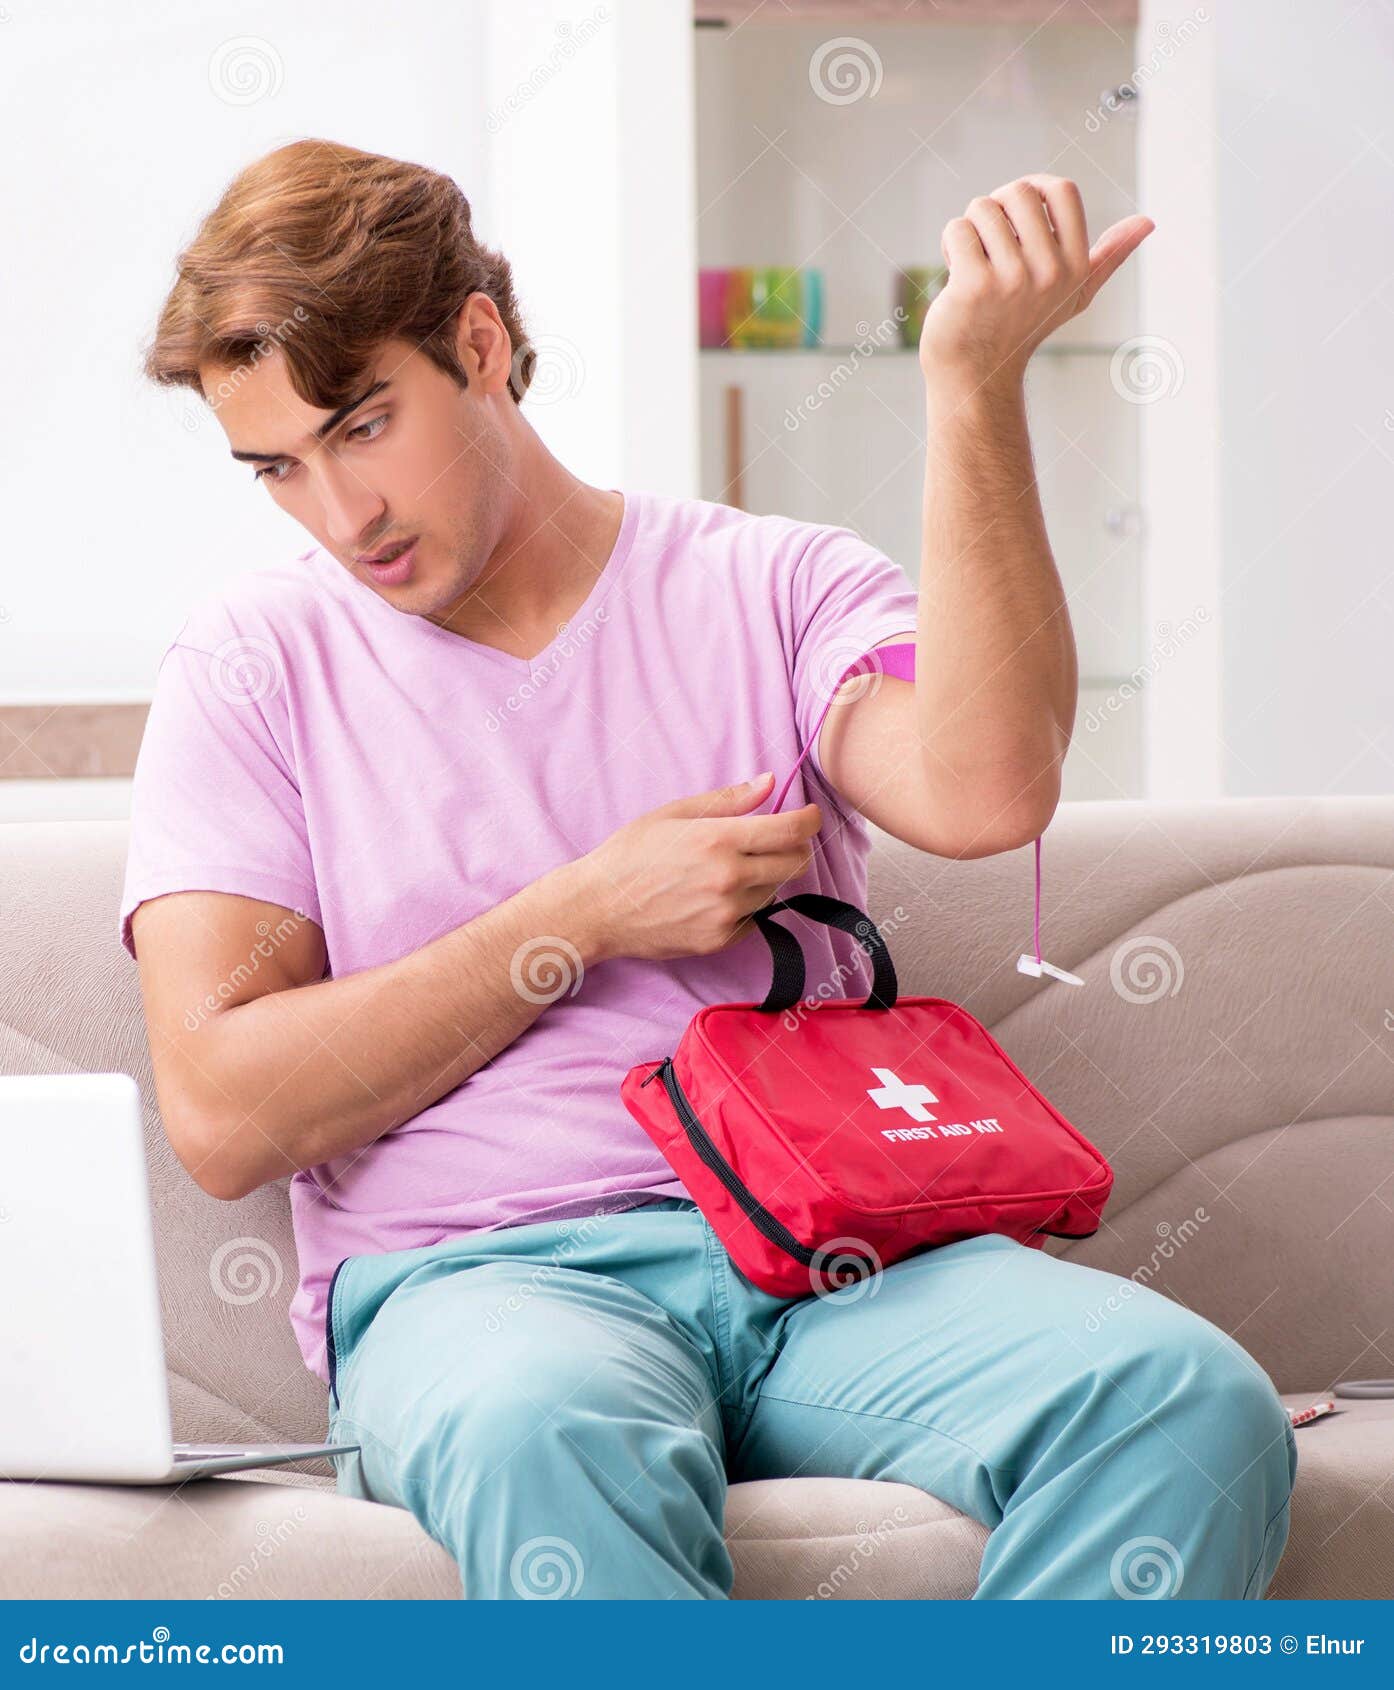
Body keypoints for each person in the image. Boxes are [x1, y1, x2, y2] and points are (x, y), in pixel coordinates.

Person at [122, 139, 1295, 1599]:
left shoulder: (774, 587)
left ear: (478, 343)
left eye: (363, 426)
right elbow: (227, 1112)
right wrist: (578, 916)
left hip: (836, 1255)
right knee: (543, 1428)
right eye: (278, 469)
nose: (338, 516)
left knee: (1183, 1405)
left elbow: (986, 786)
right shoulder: (254, 666)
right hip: (490, 1286)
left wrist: (972, 389)